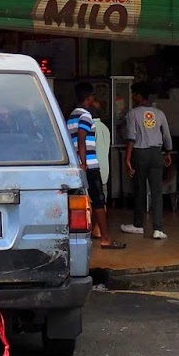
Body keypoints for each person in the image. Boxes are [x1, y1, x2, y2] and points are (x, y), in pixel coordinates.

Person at [67, 83, 121, 249]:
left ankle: (86, 235)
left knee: (79, 201)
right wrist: (84, 163)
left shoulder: (71, 117)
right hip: (89, 165)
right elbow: (82, 139)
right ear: (89, 98)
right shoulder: (85, 116)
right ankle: (105, 238)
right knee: (98, 201)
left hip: (76, 165)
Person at [120, 83, 172, 240]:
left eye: (133, 94)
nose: (132, 97)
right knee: (157, 191)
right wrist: (168, 153)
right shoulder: (160, 113)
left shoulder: (132, 114)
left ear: (138, 96)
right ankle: (158, 229)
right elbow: (166, 136)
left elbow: (131, 137)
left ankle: (138, 225)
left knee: (139, 190)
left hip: (140, 154)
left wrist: (127, 158)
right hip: (157, 154)